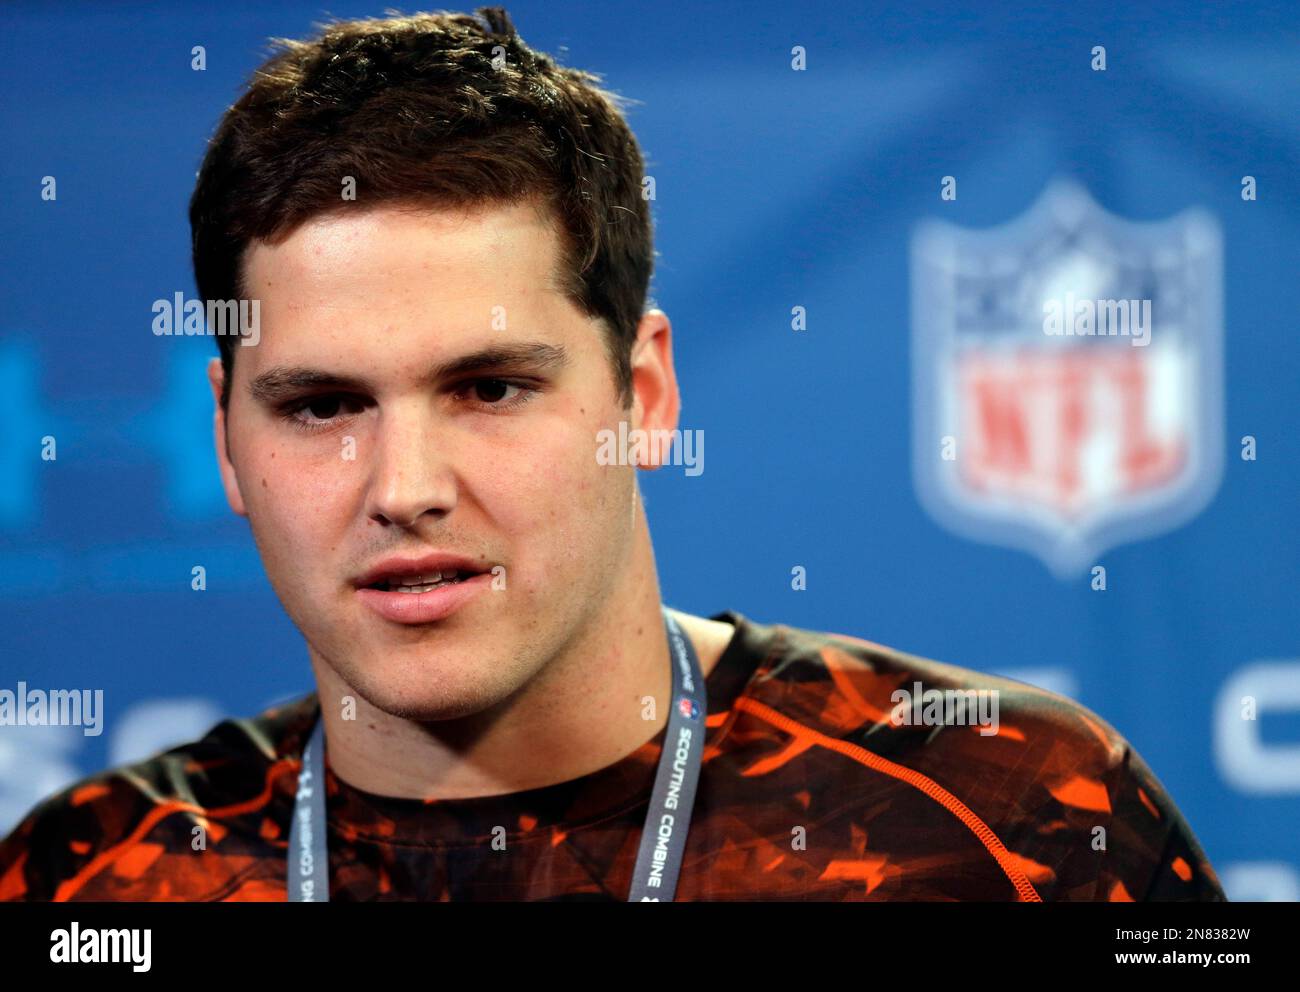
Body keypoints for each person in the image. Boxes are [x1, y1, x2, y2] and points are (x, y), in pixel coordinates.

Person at [0, 6, 1224, 902]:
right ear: (226, 435)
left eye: (489, 388)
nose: (404, 488)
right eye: (321, 406)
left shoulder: (1020, 818)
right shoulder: (88, 879)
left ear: (641, 394)